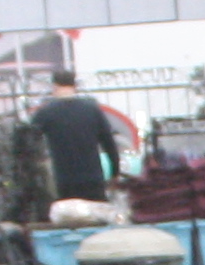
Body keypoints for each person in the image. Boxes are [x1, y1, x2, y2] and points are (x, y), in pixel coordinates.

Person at [26, 71, 137, 215]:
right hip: (93, 178)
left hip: (64, 179)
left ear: (54, 87)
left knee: (71, 220)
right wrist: (114, 172)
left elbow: (29, 141)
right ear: (75, 86)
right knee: (98, 217)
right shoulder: (92, 110)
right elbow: (109, 143)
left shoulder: (45, 113)